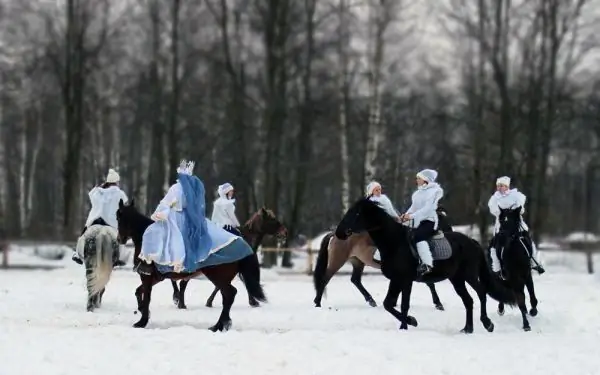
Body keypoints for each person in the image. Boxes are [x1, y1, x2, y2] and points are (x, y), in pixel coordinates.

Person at [136, 160, 240, 275]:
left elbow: (167, 202)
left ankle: (149, 265)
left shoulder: (176, 188)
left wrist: (161, 212)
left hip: (174, 217)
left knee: (154, 233)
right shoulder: (193, 190)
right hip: (189, 218)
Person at [487, 176, 545, 276]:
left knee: (528, 240)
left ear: (507, 186)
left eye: (502, 186)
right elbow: (494, 210)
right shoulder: (494, 198)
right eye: (498, 186)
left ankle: (534, 262)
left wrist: (515, 211)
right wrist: (503, 212)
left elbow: (521, 209)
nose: (500, 188)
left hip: (516, 224)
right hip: (502, 224)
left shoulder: (516, 195)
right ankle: (497, 266)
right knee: (494, 244)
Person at [72, 168, 128, 265]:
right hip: (111, 222)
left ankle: (78, 254)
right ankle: (120, 257)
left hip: (95, 220)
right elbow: (124, 203)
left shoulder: (98, 191)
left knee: (83, 235)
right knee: (121, 237)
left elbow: (91, 195)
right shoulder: (120, 193)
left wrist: (100, 187)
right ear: (117, 182)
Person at [399, 169, 444, 277]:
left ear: (425, 179)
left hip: (429, 221)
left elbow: (427, 209)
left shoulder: (435, 192)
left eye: (418, 178)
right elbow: (413, 207)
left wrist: (412, 216)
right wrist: (405, 215)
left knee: (418, 236)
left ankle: (427, 264)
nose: (416, 180)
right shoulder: (417, 193)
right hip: (416, 220)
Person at [366, 181, 400, 263]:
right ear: (372, 191)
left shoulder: (384, 199)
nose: (379, 191)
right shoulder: (370, 201)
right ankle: (378, 256)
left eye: (379, 189)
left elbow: (391, 210)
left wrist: (397, 217)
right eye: (376, 190)